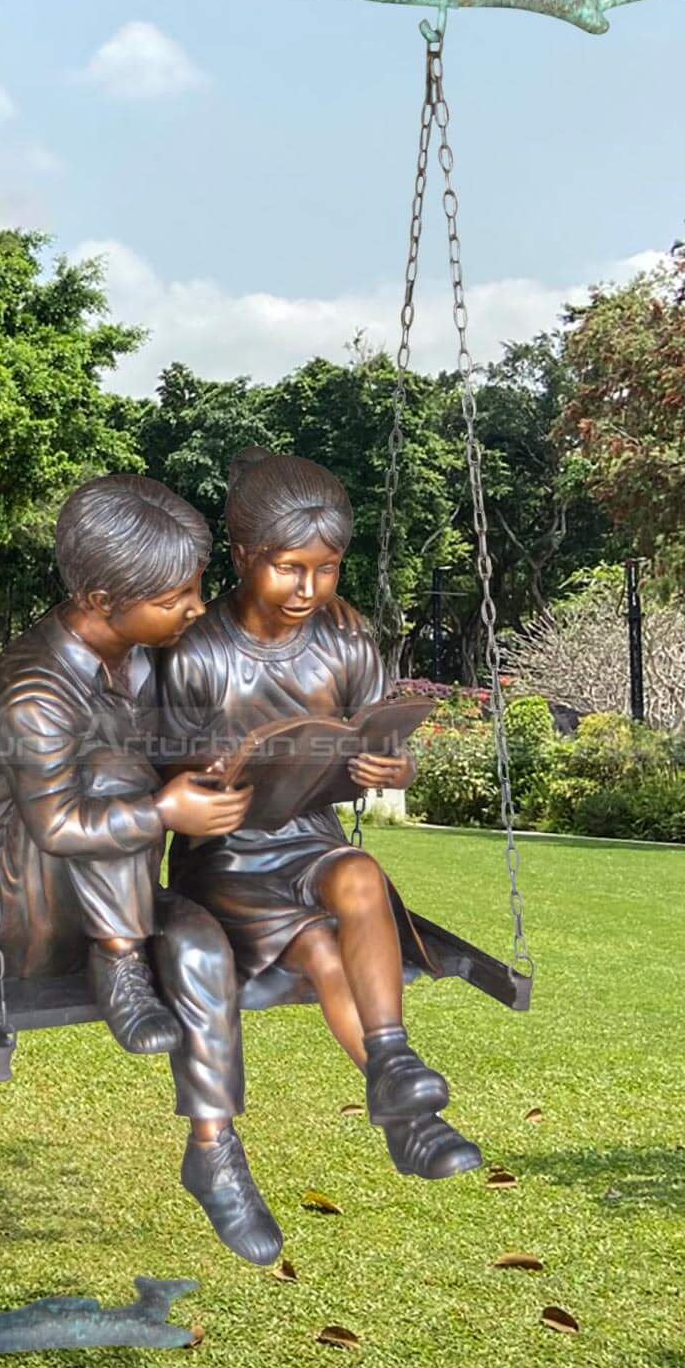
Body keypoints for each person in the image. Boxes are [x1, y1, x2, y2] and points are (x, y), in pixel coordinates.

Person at [0, 473, 282, 1262]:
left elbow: (170, 753)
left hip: (121, 888)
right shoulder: (31, 688)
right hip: (27, 903)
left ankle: (213, 1152)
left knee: (202, 947)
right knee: (110, 779)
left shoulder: (142, 659)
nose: (196, 607)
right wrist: (168, 811)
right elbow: (60, 825)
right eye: (178, 596)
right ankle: (119, 962)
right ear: (102, 599)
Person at [158, 448, 483, 1180]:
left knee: (361, 874)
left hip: (310, 837)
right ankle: (414, 1126)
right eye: (289, 567)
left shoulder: (344, 640)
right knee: (320, 950)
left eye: (326, 568)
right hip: (226, 859)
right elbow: (163, 780)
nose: (309, 586)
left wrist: (394, 767)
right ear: (243, 556)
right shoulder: (196, 649)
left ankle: (393, 1063)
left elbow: (383, 735)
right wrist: (200, 779)